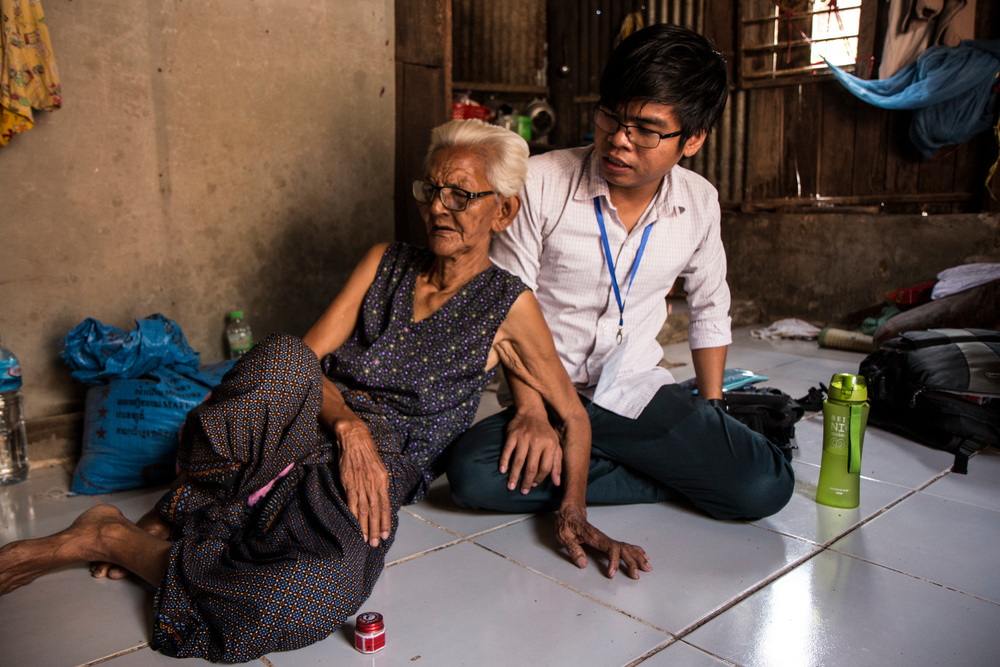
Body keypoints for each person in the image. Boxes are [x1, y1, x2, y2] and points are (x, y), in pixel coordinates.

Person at [0, 119, 649, 663]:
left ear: (504, 210)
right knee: (280, 356)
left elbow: (574, 416)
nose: (440, 206)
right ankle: (185, 509)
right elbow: (305, 363)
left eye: (463, 194)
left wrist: (574, 512)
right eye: (433, 188)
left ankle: (111, 538)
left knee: (309, 597)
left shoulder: (508, 305)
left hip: (369, 479)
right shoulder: (383, 260)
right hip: (309, 421)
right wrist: (348, 425)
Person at [446, 24, 795, 520]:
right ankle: (665, 477)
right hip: (546, 391)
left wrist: (711, 410)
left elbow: (710, 306)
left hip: (635, 389)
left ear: (691, 139)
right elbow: (504, 309)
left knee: (765, 484)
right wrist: (528, 412)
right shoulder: (540, 185)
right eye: (611, 116)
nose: (618, 141)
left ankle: (595, 459)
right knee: (472, 473)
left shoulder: (698, 202)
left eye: (647, 130)